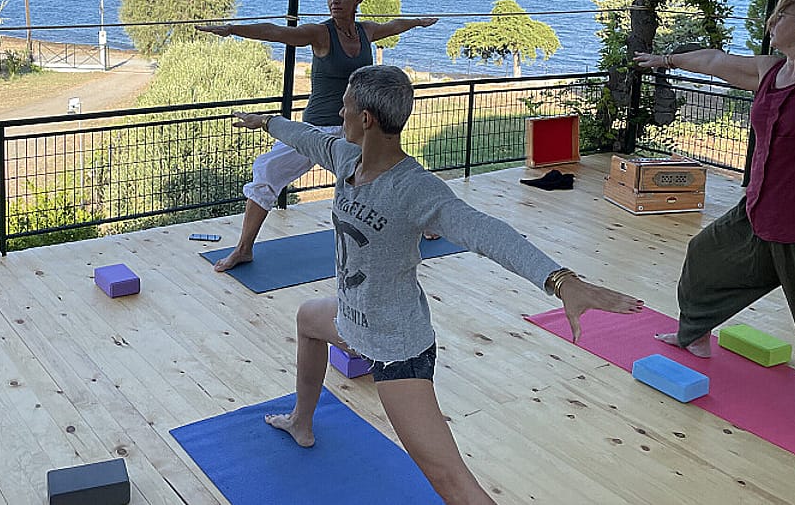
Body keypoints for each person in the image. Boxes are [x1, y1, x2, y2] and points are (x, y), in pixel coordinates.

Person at [232, 64, 643, 504]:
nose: (340, 111)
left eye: (346, 104)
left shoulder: (415, 189)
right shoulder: (346, 157)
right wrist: (266, 122)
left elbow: (486, 231)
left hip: (396, 348)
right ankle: (302, 422)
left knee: (451, 481)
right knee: (308, 319)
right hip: (352, 320)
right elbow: (306, 136)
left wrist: (561, 281)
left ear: (366, 118)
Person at [635, 0, 795, 467]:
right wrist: (665, 58)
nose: (771, 23)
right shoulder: (768, 71)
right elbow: (713, 59)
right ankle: (695, 332)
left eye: (780, 16)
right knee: (707, 256)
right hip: (761, 211)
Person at [197, 0, 437, 272]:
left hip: (357, 129)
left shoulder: (366, 32)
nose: (334, 1)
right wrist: (233, 29)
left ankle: (426, 222)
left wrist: (417, 22)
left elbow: (393, 26)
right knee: (268, 170)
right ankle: (243, 249)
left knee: (392, 173)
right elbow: (276, 32)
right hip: (318, 129)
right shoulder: (321, 34)